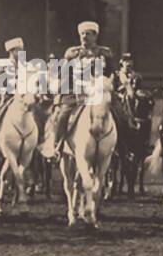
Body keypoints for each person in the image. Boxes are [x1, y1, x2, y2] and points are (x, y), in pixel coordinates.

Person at [49, 20, 126, 155]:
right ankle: (57, 146)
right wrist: (59, 97)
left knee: (121, 115)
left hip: (100, 93)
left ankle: (123, 148)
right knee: (63, 116)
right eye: (82, 34)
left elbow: (112, 74)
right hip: (76, 94)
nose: (84, 37)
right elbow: (64, 77)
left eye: (88, 34)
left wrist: (115, 89)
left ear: (95, 36)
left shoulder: (104, 53)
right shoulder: (72, 54)